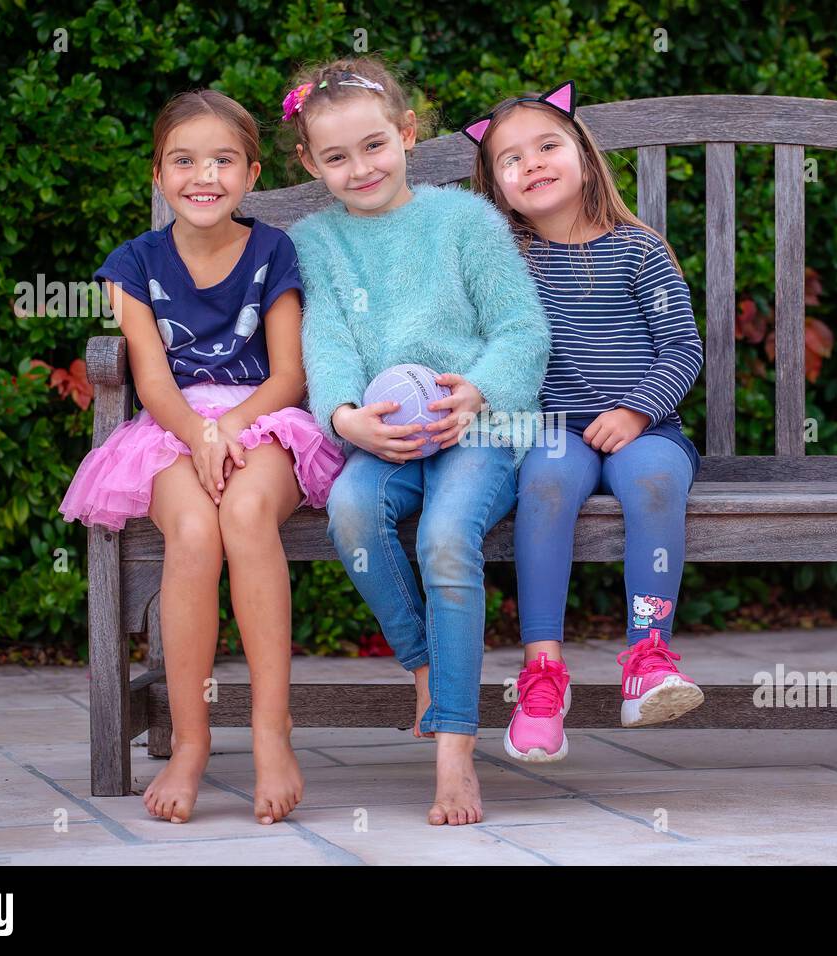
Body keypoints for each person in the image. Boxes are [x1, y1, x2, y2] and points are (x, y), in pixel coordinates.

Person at [60, 90, 344, 824]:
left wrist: (232, 429)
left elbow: (289, 373)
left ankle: (271, 732)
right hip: (171, 427)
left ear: (251, 174)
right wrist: (198, 433)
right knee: (191, 531)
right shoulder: (133, 264)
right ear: (158, 176)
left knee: (247, 514)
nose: (204, 176)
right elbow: (150, 378)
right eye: (183, 161)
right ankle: (189, 743)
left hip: (266, 421)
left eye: (223, 160)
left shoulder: (274, 251)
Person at [282, 57, 551, 823]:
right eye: (335, 157)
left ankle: (455, 753)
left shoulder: (464, 223)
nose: (359, 168)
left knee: (442, 536)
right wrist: (343, 418)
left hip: (477, 426)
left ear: (406, 134)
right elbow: (326, 339)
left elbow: (521, 330)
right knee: (352, 512)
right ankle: (427, 665)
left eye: (373, 146)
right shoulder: (317, 243)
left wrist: (480, 390)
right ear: (309, 163)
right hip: (385, 433)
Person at [466, 80, 705, 763]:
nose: (532, 163)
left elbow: (683, 348)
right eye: (511, 159)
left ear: (584, 155)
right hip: (553, 430)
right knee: (543, 484)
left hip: (648, 427)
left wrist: (635, 410)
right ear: (497, 186)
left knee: (656, 482)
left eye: (547, 145)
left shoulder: (639, 250)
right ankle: (543, 675)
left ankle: (648, 659)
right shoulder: (505, 263)